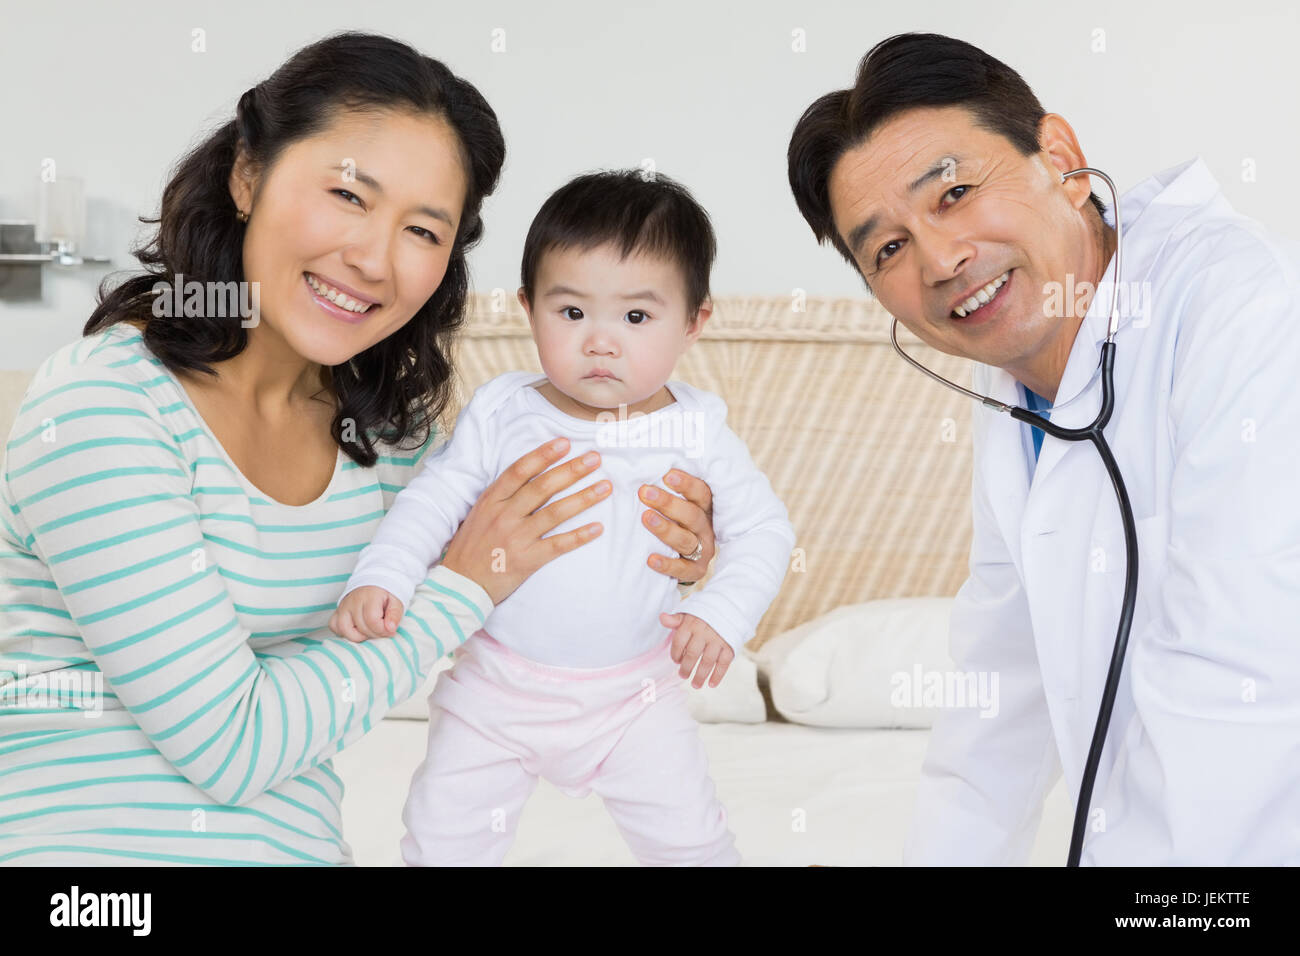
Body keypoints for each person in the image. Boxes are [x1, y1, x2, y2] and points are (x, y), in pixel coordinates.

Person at [0, 33, 718, 866]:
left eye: (422, 228)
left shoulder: (386, 440)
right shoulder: (103, 404)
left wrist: (672, 548)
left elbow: (527, 568)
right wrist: (461, 589)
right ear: (247, 176)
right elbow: (231, 744)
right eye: (348, 195)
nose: (374, 259)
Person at [787, 32, 1300, 864]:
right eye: (886, 248)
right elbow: (997, 705)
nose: (942, 259)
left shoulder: (1240, 309)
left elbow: (1234, 688)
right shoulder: (1020, 394)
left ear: (1059, 155)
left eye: (952, 192)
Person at [332, 170, 796, 866]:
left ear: (695, 321)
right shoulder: (502, 412)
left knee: (692, 842)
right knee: (443, 839)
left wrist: (723, 612)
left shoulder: (697, 431)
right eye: (571, 313)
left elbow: (764, 532)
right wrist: (386, 576)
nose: (600, 342)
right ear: (529, 307)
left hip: (636, 696)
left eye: (636, 318)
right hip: (494, 686)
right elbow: (431, 500)